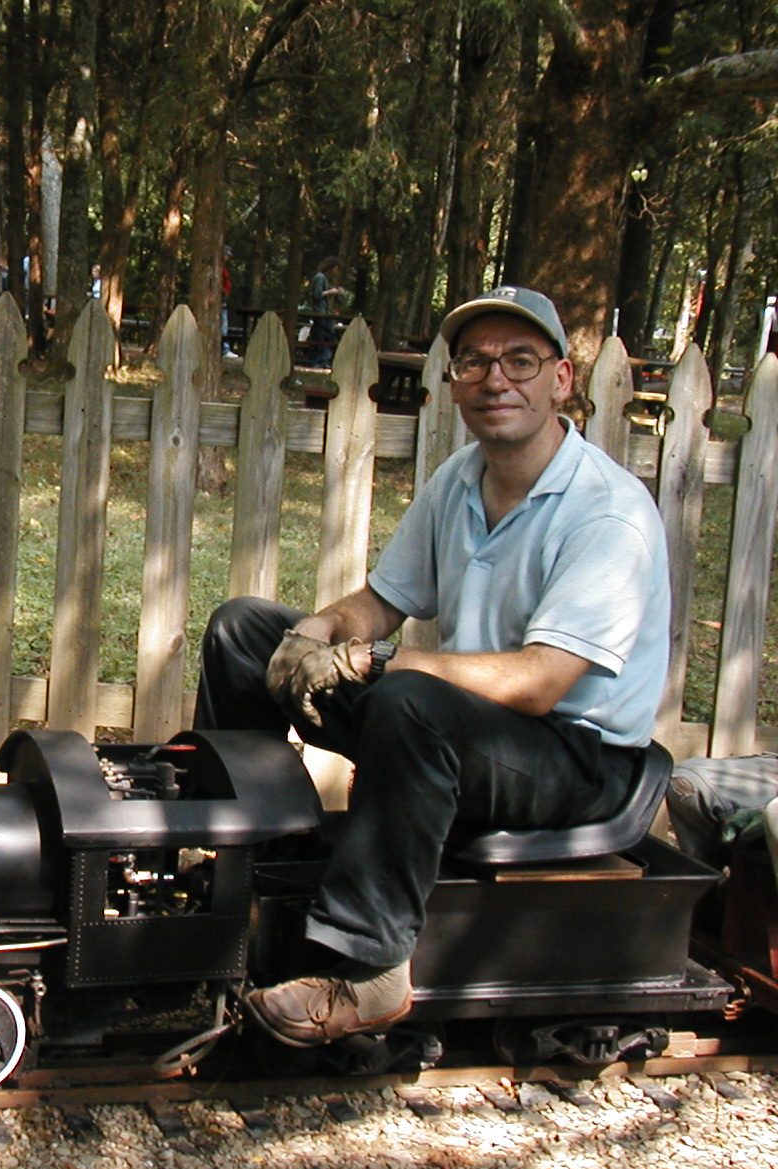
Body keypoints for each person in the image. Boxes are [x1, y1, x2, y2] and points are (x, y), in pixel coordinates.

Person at [194, 285, 671, 1047]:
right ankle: (240, 870)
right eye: (474, 361)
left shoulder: (606, 512)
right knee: (243, 629)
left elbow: (543, 683)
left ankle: (371, 972)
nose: (495, 379)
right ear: (451, 381)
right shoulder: (460, 479)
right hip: (465, 728)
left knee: (409, 698)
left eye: (520, 360)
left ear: (562, 379)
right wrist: (313, 634)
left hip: (579, 760)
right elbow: (382, 601)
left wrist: (378, 664)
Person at [308, 257, 345, 368]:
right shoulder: (320, 278)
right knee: (321, 337)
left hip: (325, 313)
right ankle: (318, 361)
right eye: (336, 269)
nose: (336, 272)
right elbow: (317, 294)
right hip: (320, 313)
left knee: (326, 337)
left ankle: (323, 361)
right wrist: (331, 292)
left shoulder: (324, 279)